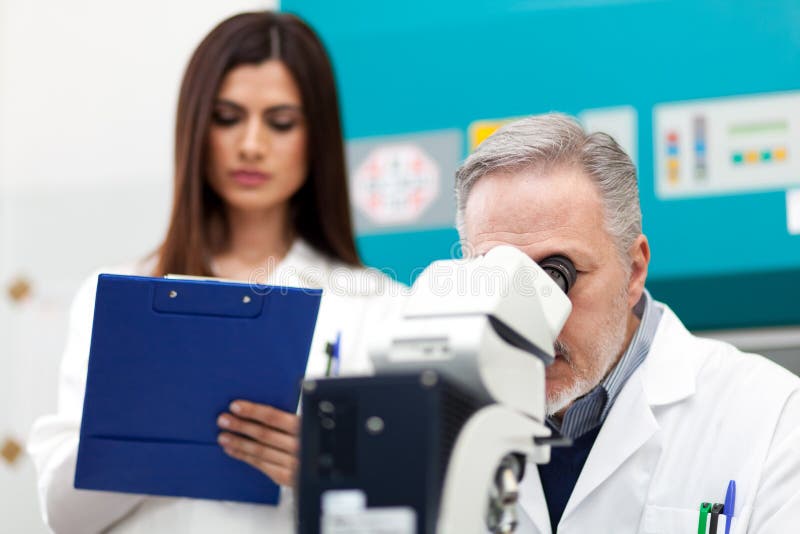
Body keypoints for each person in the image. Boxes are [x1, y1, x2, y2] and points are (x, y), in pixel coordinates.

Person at [28, 11, 402, 534]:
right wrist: (142, 429)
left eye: (280, 122)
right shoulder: (114, 295)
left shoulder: (377, 305)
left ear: (315, 137)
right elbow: (64, 517)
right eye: (227, 117)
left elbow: (407, 507)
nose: (251, 144)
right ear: (196, 125)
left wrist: (326, 470)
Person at [454, 113, 800, 533]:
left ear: (633, 270)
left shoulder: (773, 420)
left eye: (554, 276)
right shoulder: (434, 422)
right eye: (497, 276)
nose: (527, 319)